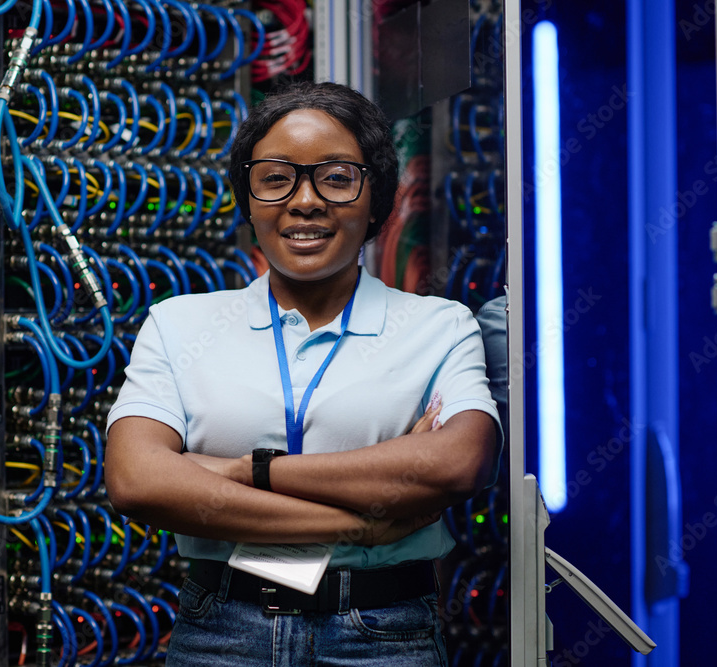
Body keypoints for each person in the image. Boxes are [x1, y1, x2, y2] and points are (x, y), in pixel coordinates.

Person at [105, 81, 501, 666]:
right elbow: (138, 481)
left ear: (377, 198)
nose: (306, 200)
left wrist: (250, 470)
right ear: (248, 198)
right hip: (222, 632)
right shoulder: (179, 324)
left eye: (337, 177)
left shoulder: (437, 327)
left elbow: (461, 462)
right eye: (275, 177)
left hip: (383, 635)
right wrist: (362, 528)